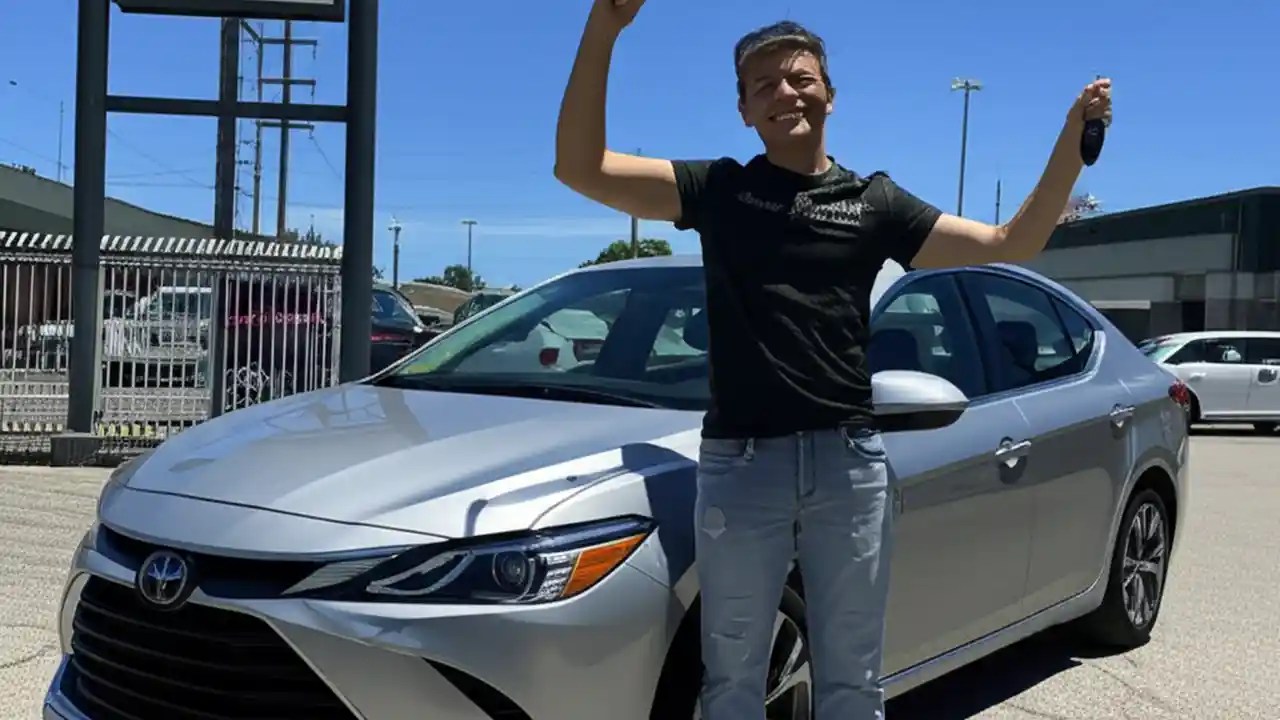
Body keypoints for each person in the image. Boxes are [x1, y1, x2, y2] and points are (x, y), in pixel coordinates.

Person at [553, 2, 1113, 718]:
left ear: (829, 94)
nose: (785, 92)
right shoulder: (719, 191)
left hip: (848, 467)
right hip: (741, 467)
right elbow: (580, 166)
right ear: (744, 111)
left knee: (852, 684)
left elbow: (1012, 241)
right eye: (764, 85)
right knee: (731, 684)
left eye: (800, 77)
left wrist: (1073, 140)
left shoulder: (873, 202)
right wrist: (605, 27)